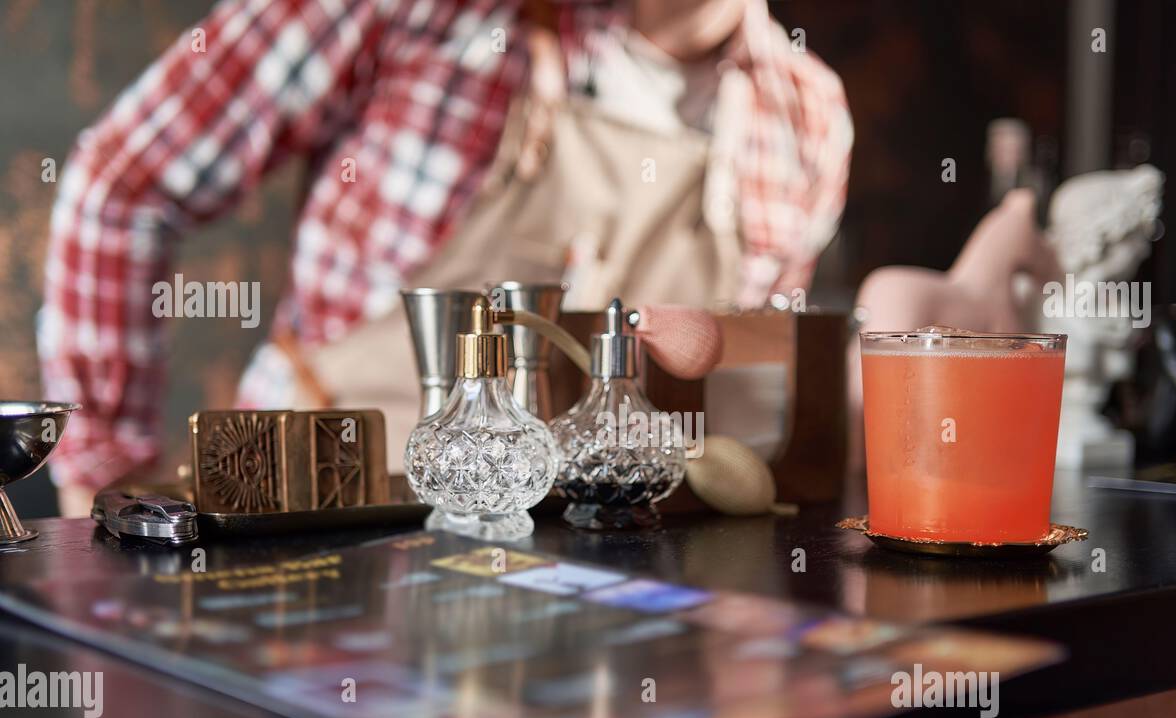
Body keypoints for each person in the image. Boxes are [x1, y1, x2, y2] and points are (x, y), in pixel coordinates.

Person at [40, 0, 852, 516]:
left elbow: (742, 367)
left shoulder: (806, 113)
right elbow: (124, 185)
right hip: (319, 522)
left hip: (601, 570)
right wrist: (100, 469)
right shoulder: (418, 14)